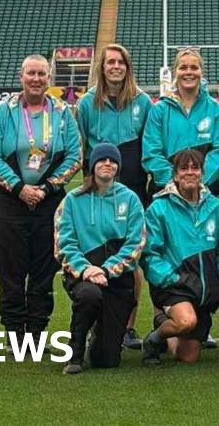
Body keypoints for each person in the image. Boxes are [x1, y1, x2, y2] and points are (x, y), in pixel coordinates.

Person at [0, 54, 81, 344]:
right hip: (8, 202)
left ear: (49, 79)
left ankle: (36, 334)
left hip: (48, 202)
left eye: (41, 74)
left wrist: (47, 188)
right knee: (8, 267)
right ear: (20, 76)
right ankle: (14, 332)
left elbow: (75, 156)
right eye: (30, 73)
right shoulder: (3, 112)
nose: (36, 79)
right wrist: (18, 187)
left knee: (44, 268)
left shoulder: (63, 112)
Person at [75, 43, 152, 350]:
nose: (116, 66)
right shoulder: (86, 104)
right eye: (110, 62)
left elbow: (150, 142)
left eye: (121, 62)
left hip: (133, 185)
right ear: (102, 67)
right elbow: (81, 146)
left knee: (131, 257)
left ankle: (129, 326)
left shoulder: (143, 102)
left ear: (127, 67)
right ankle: (98, 321)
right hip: (98, 184)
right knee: (97, 251)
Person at [55, 143, 147, 374]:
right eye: (102, 160)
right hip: (83, 275)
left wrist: (106, 270)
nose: (108, 164)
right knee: (89, 295)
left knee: (106, 360)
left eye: (113, 161)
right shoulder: (73, 200)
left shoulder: (131, 199)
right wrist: (86, 270)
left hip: (117, 279)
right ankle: (74, 353)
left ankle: (99, 336)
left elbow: (136, 244)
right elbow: (63, 244)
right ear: (92, 166)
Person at [140, 149, 219, 366]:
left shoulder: (215, 208)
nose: (189, 173)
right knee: (186, 321)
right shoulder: (159, 208)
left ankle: (162, 323)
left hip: (203, 290)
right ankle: (153, 339)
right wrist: (173, 279)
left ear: (202, 173)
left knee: (187, 356)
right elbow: (149, 255)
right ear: (174, 175)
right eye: (183, 168)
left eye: (195, 168)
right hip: (175, 284)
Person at [143, 47, 219, 198]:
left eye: (194, 67)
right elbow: (151, 152)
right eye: (183, 67)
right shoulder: (159, 110)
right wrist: (174, 182)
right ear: (175, 72)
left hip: (206, 191)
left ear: (201, 72)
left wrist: (198, 182)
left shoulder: (217, 111)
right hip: (167, 191)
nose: (189, 72)